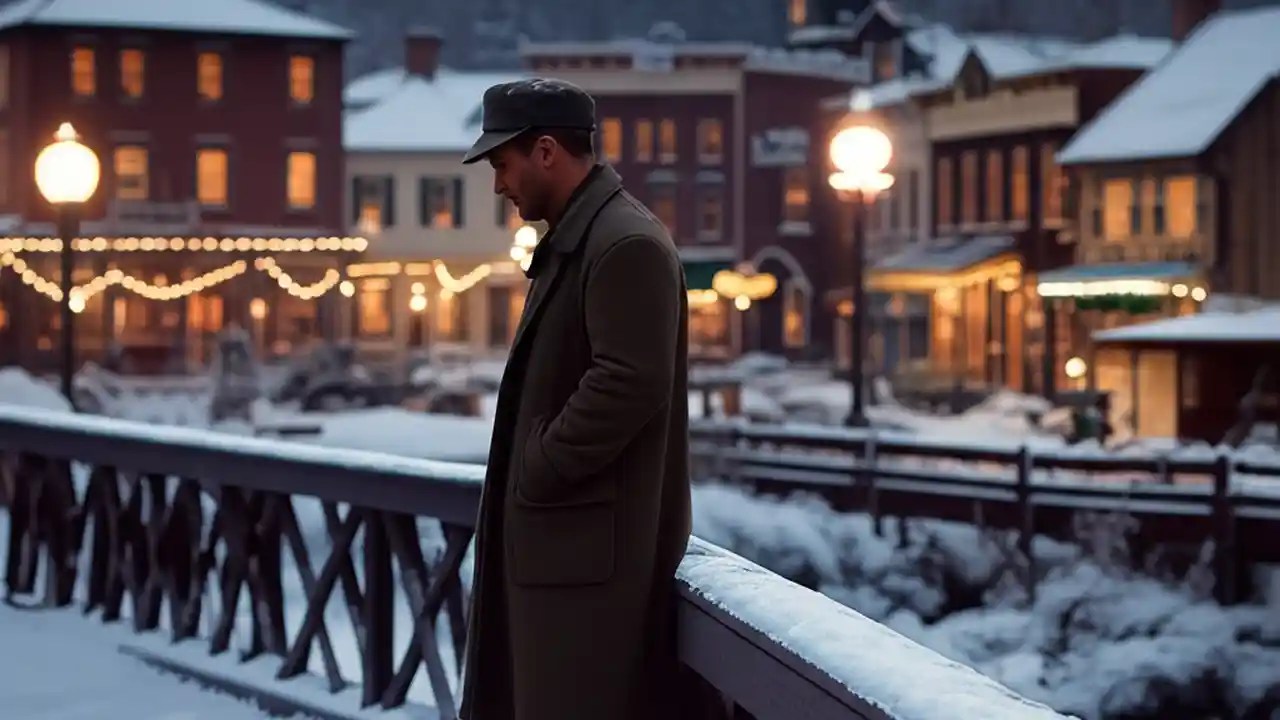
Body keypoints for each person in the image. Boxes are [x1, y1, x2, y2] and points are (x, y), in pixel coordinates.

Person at [457, 78, 693, 720]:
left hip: (587, 573)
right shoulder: (584, 238)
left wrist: (540, 465)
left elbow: (629, 382)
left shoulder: (623, 244)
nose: (498, 184)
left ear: (547, 152)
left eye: (502, 164)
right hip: (568, 559)